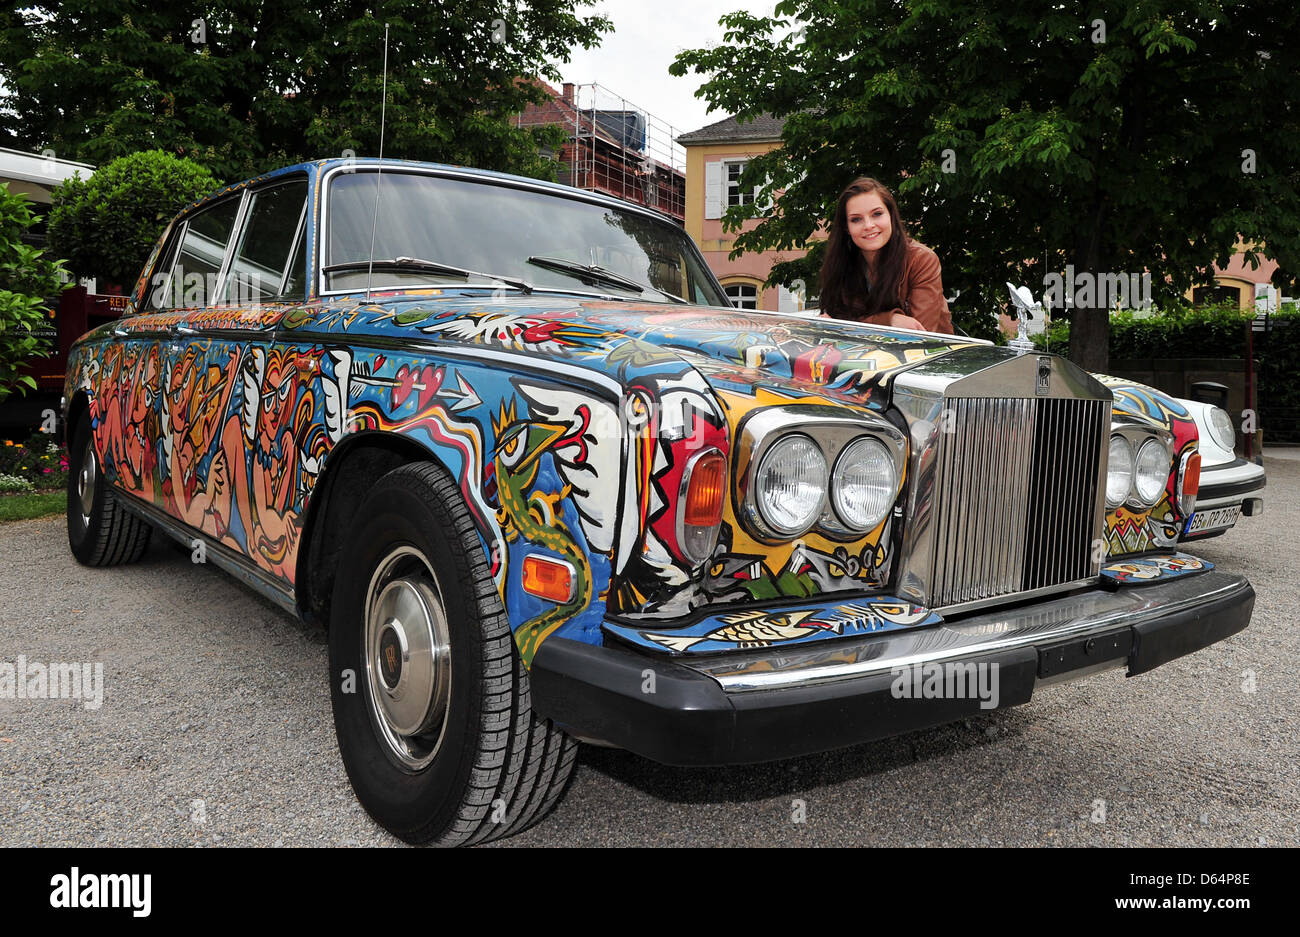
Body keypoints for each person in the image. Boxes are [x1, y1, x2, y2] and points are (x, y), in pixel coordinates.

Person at [818, 177, 953, 334]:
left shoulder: (921, 260)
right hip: (862, 356)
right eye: (856, 219)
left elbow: (920, 334)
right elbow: (832, 320)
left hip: (929, 356)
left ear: (891, 216)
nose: (868, 225)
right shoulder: (841, 263)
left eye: (877, 214)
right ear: (847, 228)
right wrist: (891, 320)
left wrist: (845, 324)